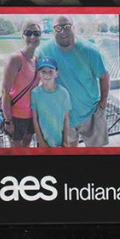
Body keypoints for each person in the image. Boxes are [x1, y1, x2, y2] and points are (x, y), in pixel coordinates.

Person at [38, 16, 111, 147]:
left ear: (74, 27)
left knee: (97, 154)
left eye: (66, 26)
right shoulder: (43, 51)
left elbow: (104, 77)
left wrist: (102, 104)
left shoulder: (90, 51)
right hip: (62, 117)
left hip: (91, 113)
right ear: (53, 31)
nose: (62, 31)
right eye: (58, 28)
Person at [0, 20, 42, 147]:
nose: (33, 37)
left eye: (36, 33)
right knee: (16, 149)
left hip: (31, 114)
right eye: (28, 33)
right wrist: (8, 120)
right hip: (16, 115)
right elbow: (4, 91)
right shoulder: (16, 59)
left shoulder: (37, 59)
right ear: (22, 35)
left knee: (27, 144)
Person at [30, 58, 71, 147]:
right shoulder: (35, 93)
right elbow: (35, 119)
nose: (46, 74)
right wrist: (41, 142)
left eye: (50, 71)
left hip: (60, 142)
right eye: (43, 71)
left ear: (56, 73)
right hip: (43, 141)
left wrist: (65, 140)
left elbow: (66, 118)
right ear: (39, 74)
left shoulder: (64, 93)